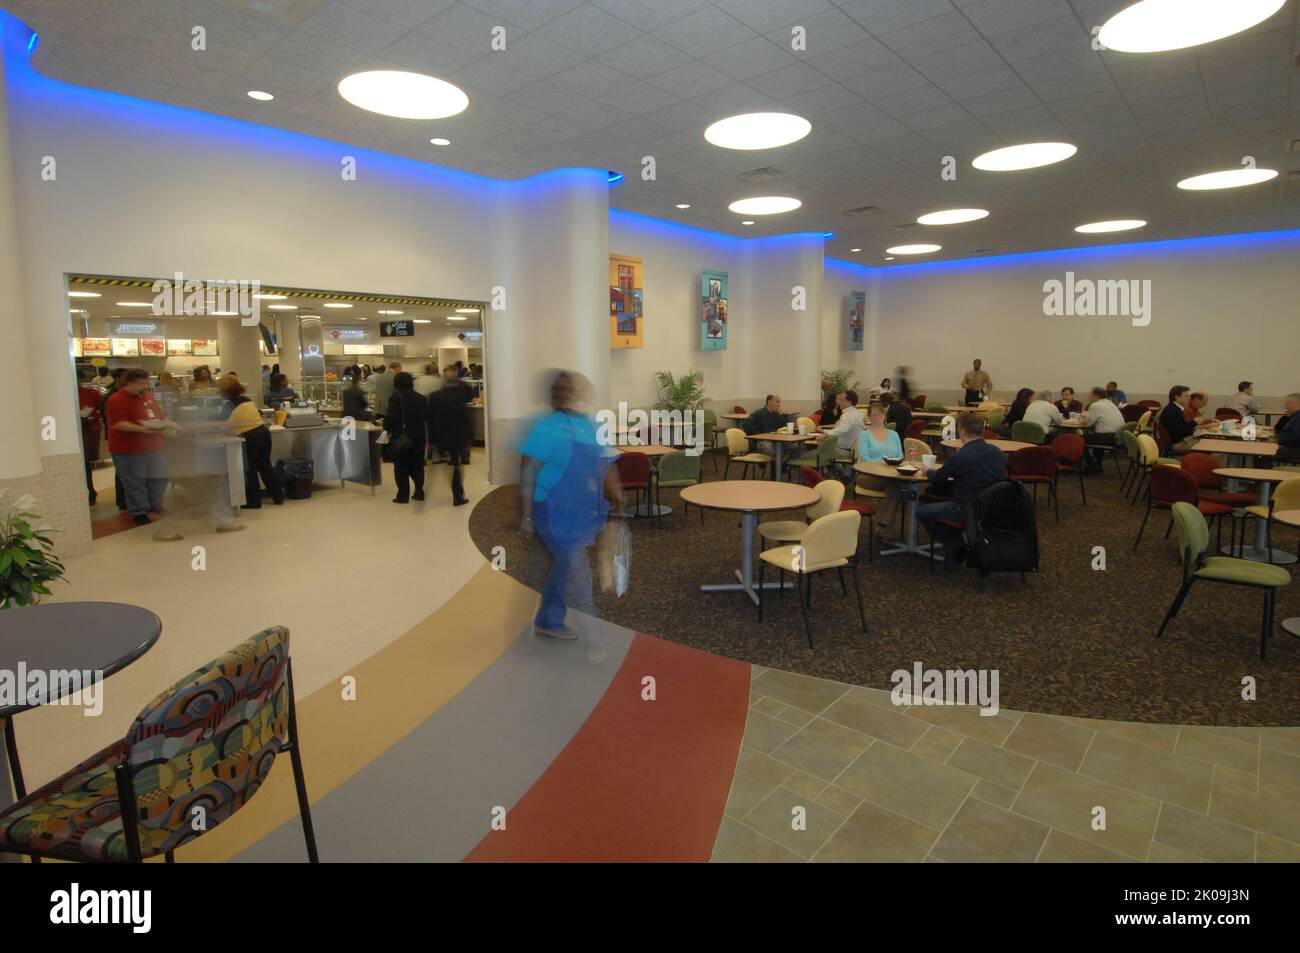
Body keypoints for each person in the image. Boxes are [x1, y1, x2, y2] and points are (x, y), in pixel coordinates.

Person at [519, 370, 622, 642]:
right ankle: (577, 632)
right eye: (558, 391)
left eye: (568, 390)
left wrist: (614, 490)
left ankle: (548, 619)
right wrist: (525, 513)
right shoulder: (546, 427)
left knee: (563, 566)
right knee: (572, 563)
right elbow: (527, 469)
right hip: (549, 507)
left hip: (579, 507)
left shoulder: (590, 425)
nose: (563, 396)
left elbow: (605, 460)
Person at [918, 413, 1006, 569]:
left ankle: (957, 544)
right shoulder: (997, 453)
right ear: (982, 431)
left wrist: (927, 470)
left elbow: (939, 477)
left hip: (965, 508)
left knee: (921, 511)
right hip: (994, 508)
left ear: (962, 432)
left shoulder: (961, 457)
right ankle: (956, 539)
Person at [104, 369, 177, 526]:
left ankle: (155, 507)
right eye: (141, 383)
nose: (144, 386)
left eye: (146, 382)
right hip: (128, 449)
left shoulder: (148, 397)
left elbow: (159, 417)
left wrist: (166, 423)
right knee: (135, 482)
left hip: (154, 446)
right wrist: (142, 429)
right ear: (129, 383)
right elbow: (117, 423)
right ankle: (139, 512)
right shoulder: (116, 399)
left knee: (160, 477)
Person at [218, 375, 283, 508]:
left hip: (250, 437)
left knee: (250, 469)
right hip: (263, 432)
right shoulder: (247, 400)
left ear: (225, 391)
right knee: (266, 467)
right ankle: (278, 497)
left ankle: (254, 501)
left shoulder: (231, 405)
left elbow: (220, 422)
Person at [855, 402, 904, 535]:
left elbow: (900, 456)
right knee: (896, 487)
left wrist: (891, 466)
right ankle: (885, 525)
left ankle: (884, 525)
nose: (877, 417)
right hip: (868, 475)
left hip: (891, 474)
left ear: (884, 415)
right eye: (874, 414)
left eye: (880, 413)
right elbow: (865, 459)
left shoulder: (894, 435)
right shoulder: (865, 435)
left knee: (896, 487)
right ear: (869, 417)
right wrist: (885, 463)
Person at [428, 365, 473, 505]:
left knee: (450, 464)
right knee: (456, 465)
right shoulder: (460, 396)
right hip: (457, 435)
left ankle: (455, 492)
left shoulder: (434, 397)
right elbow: (464, 417)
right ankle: (457, 495)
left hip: (442, 435)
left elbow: (431, 418)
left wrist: (432, 438)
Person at [385, 371, 429, 504]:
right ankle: (419, 491)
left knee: (401, 467)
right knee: (418, 465)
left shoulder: (395, 398)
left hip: (402, 437)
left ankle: (403, 495)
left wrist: (385, 425)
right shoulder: (421, 398)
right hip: (419, 436)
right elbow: (426, 416)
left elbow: (393, 418)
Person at [77, 366, 103, 505]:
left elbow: (104, 410)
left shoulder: (91, 393)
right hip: (75, 433)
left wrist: (93, 416)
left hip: (88, 432)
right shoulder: (61, 395)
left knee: (86, 463)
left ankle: (90, 491)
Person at [818, 390, 865, 466]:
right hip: (854, 449)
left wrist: (825, 433)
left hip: (845, 449)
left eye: (841, 400)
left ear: (849, 402)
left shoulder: (848, 415)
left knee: (820, 451)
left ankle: (830, 474)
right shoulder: (857, 413)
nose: (838, 402)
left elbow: (842, 429)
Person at [1082, 385, 1124, 471]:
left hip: (1107, 437)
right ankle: (1097, 463)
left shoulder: (1095, 405)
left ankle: (1091, 463)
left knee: (1077, 439)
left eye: (1089, 395)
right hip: (1118, 437)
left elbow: (1088, 424)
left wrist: (1081, 421)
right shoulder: (1110, 403)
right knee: (1096, 434)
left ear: (1095, 395)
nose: (1088, 397)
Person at [1160, 385, 1200, 453]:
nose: (1189, 398)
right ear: (1177, 397)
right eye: (1186, 396)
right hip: (1176, 444)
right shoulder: (1171, 411)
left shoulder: (1175, 409)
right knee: (1204, 445)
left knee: (1203, 440)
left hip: (1179, 440)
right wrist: (1194, 422)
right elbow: (1178, 432)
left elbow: (1180, 427)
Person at [1274, 392, 1300, 464]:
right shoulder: (1294, 416)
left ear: (1295, 404)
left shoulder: (1298, 418)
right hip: (1292, 448)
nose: (1285, 406)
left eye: (1287, 404)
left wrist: (1278, 440)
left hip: (1295, 451)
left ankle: (1265, 474)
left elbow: (1295, 437)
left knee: (1262, 455)